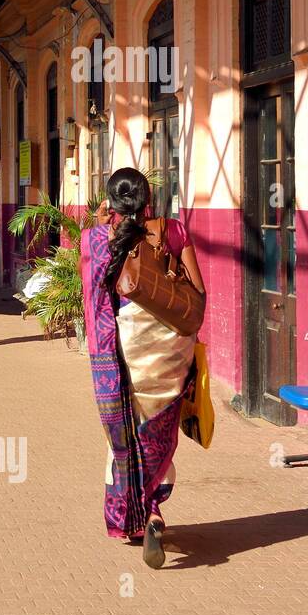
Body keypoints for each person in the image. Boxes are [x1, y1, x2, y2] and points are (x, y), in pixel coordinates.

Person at [80, 167, 206, 569]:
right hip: (171, 348)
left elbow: (96, 295)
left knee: (126, 432)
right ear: (148, 198)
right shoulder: (173, 230)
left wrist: (103, 224)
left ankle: (134, 517)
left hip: (126, 348)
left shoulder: (99, 239)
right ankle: (154, 507)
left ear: (112, 202)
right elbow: (199, 293)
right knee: (159, 433)